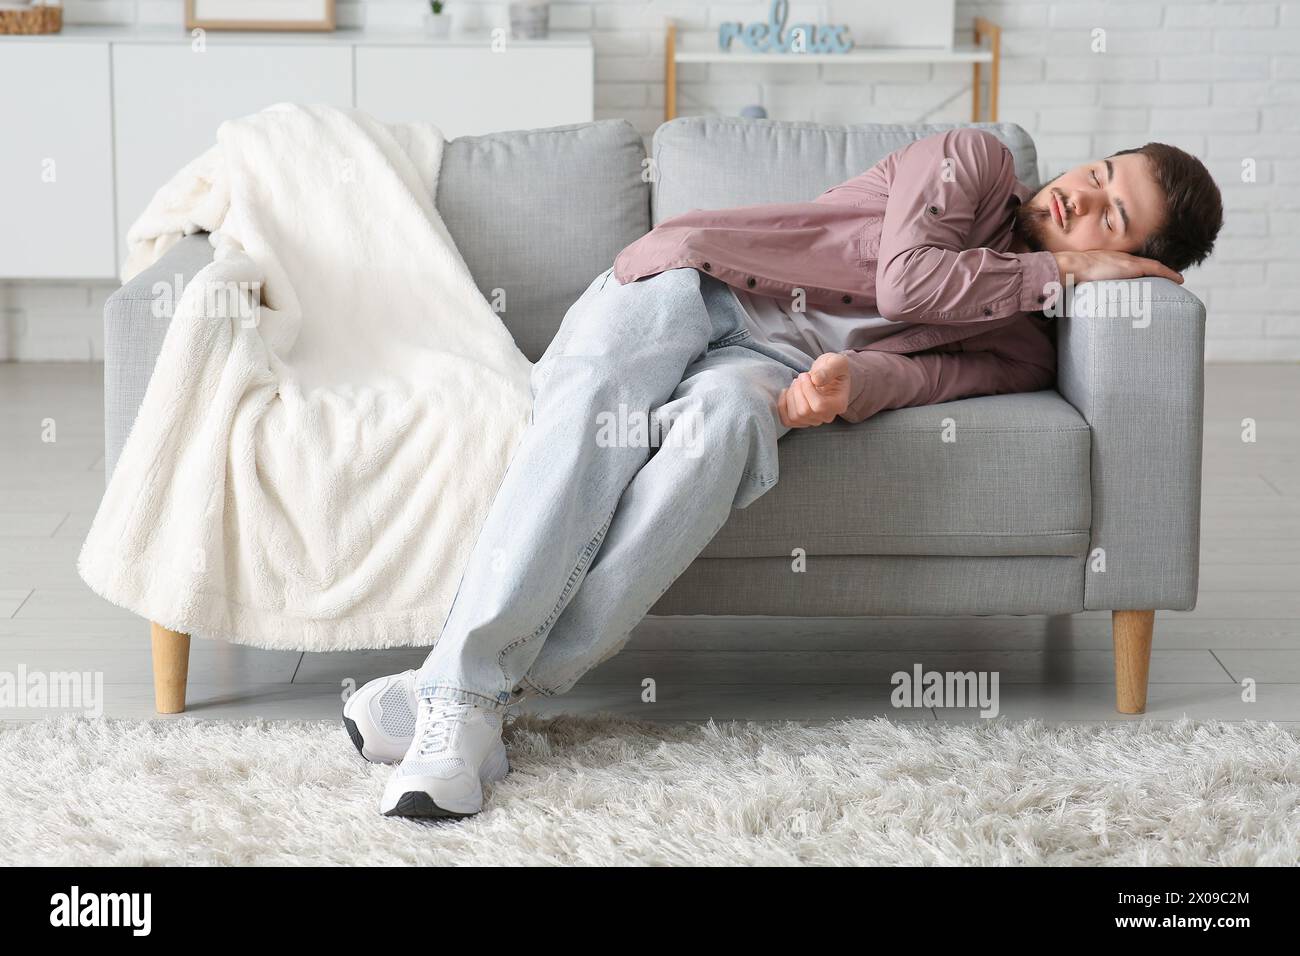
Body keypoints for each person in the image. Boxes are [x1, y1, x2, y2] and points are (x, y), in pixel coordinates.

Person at [340, 128, 1223, 819]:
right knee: (591, 416)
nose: (1083, 198)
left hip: (760, 366)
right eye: (1101, 173)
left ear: (1142, 259)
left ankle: (467, 697)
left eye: (1115, 217)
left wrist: (852, 385)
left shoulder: (1028, 344)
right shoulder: (975, 162)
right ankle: (462, 697)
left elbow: (925, 373)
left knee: (724, 432)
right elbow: (911, 283)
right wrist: (1064, 265)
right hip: (694, 282)